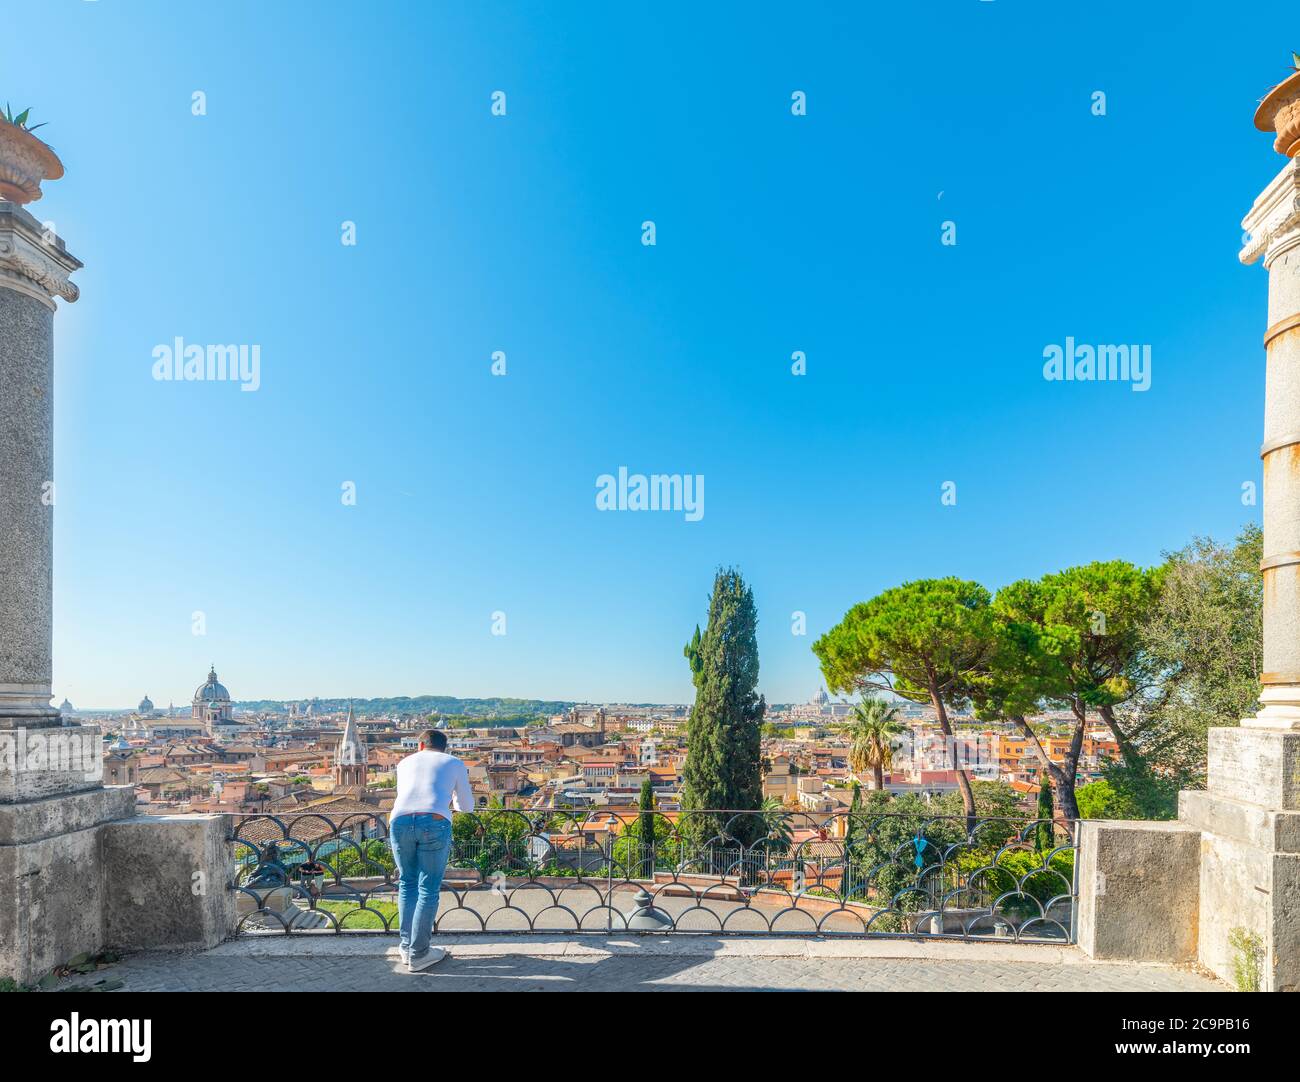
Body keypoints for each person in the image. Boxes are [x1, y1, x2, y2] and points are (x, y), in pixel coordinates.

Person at [388, 728, 472, 971]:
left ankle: (406, 947)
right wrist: (452, 801)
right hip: (434, 822)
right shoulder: (454, 762)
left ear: (420, 746)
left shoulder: (404, 763)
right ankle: (419, 953)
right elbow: (466, 806)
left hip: (400, 821)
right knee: (428, 888)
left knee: (407, 883)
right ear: (443, 748)